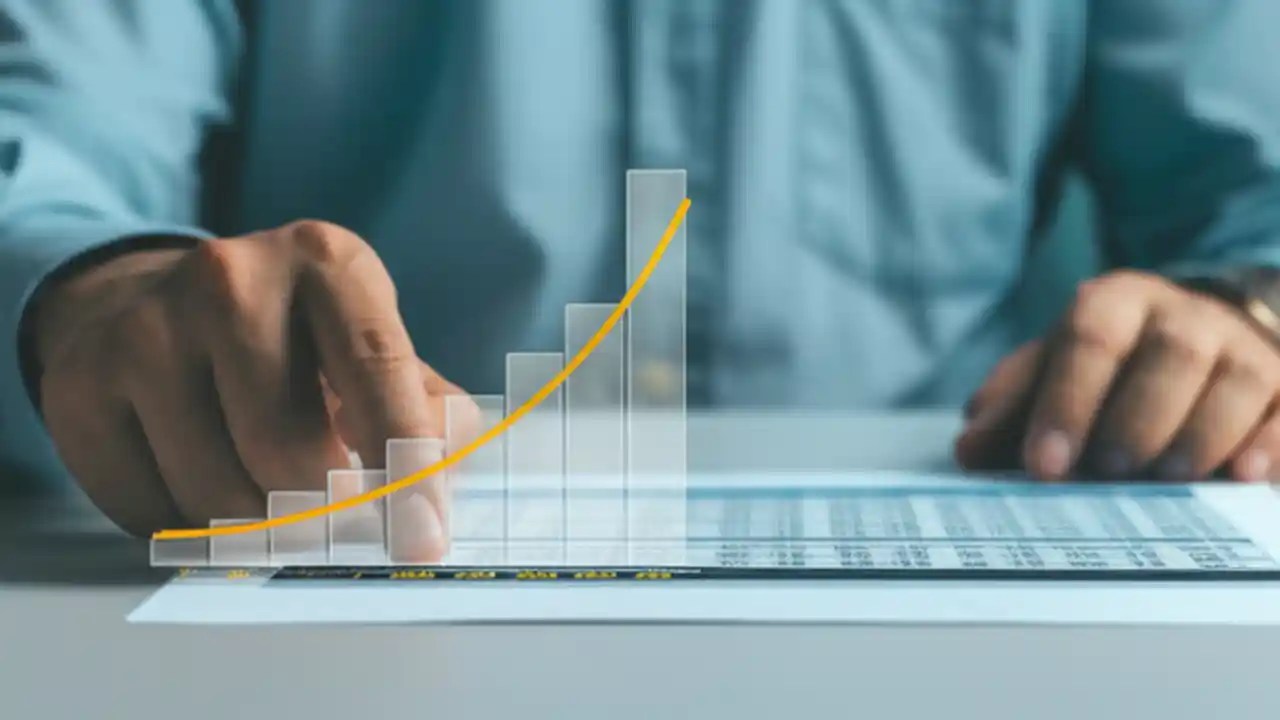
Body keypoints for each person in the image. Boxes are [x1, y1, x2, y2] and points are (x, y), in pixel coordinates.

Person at [1, 0, 1279, 561]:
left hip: (987, 539)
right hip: (350, 562)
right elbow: (53, 140)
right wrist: (94, 287)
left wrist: (1245, 316)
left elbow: (1256, 195)